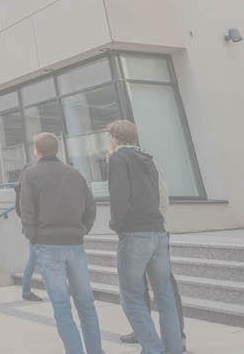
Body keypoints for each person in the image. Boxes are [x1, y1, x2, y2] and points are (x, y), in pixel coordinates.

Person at [20, 132, 103, 354]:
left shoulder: (31, 174)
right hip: (75, 244)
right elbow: (91, 207)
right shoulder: (75, 173)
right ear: (56, 149)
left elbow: (27, 211)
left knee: (61, 306)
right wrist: (82, 230)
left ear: (37, 151)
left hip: (48, 246)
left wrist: (34, 237)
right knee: (86, 304)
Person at [107, 120, 183, 354]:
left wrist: (116, 225)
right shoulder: (148, 158)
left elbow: (119, 196)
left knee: (131, 297)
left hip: (134, 232)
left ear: (115, 137)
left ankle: (153, 349)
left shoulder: (118, 158)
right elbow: (158, 194)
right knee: (165, 296)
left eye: (109, 136)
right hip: (158, 231)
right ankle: (174, 348)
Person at [120, 153, 186, 347]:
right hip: (140, 229)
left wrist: (155, 222)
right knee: (139, 284)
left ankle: (178, 337)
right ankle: (142, 331)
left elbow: (162, 195)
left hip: (155, 229)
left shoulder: (149, 161)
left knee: (166, 286)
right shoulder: (126, 163)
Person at [14, 166, 43, 302]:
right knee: (33, 260)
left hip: (34, 228)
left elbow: (18, 211)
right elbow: (20, 211)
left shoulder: (23, 189)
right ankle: (26, 291)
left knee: (36, 259)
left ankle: (27, 290)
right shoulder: (24, 190)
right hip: (34, 229)